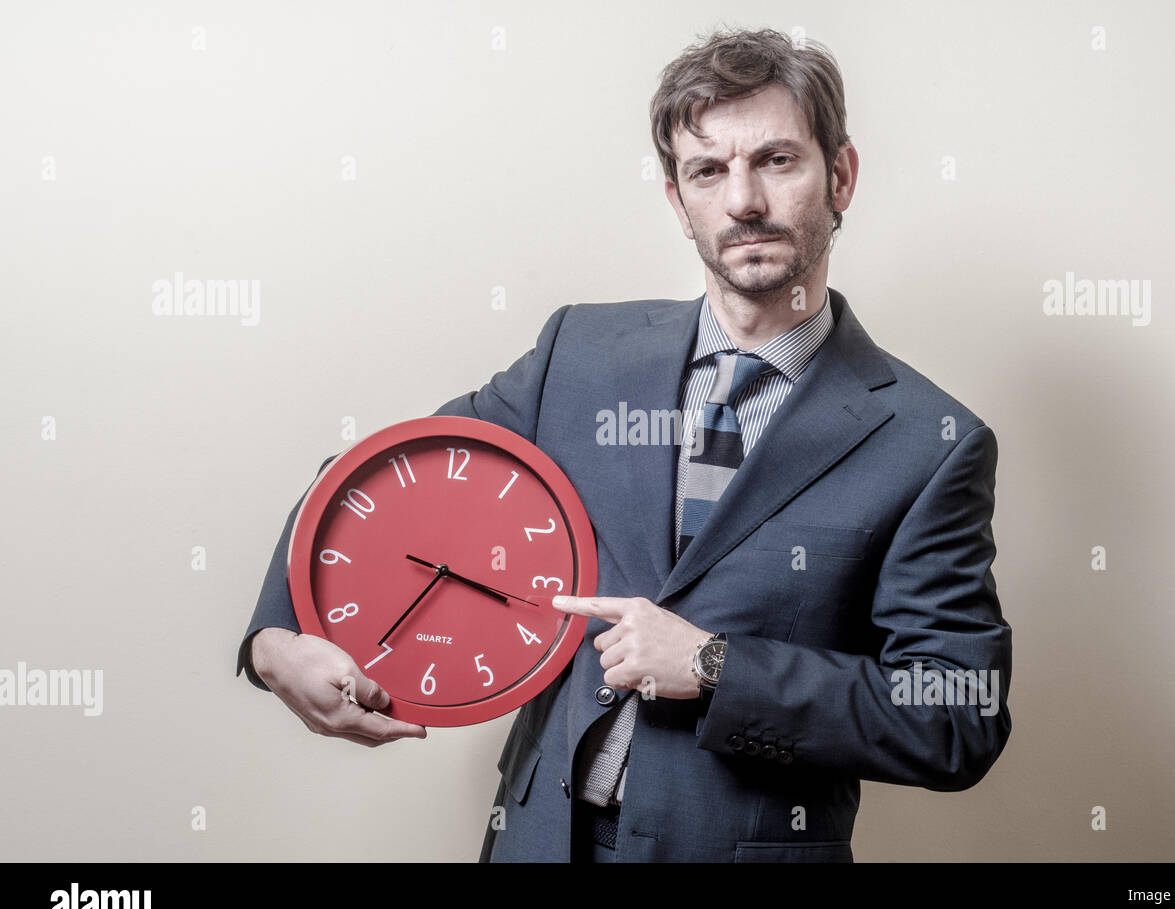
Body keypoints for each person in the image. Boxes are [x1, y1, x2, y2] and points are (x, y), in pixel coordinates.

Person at [238, 27, 1013, 863]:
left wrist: (717, 664)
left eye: (777, 160)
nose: (743, 200)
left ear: (842, 176)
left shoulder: (928, 442)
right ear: (679, 202)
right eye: (708, 170)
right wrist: (276, 641)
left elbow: (957, 715)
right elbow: (381, 483)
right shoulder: (580, 356)